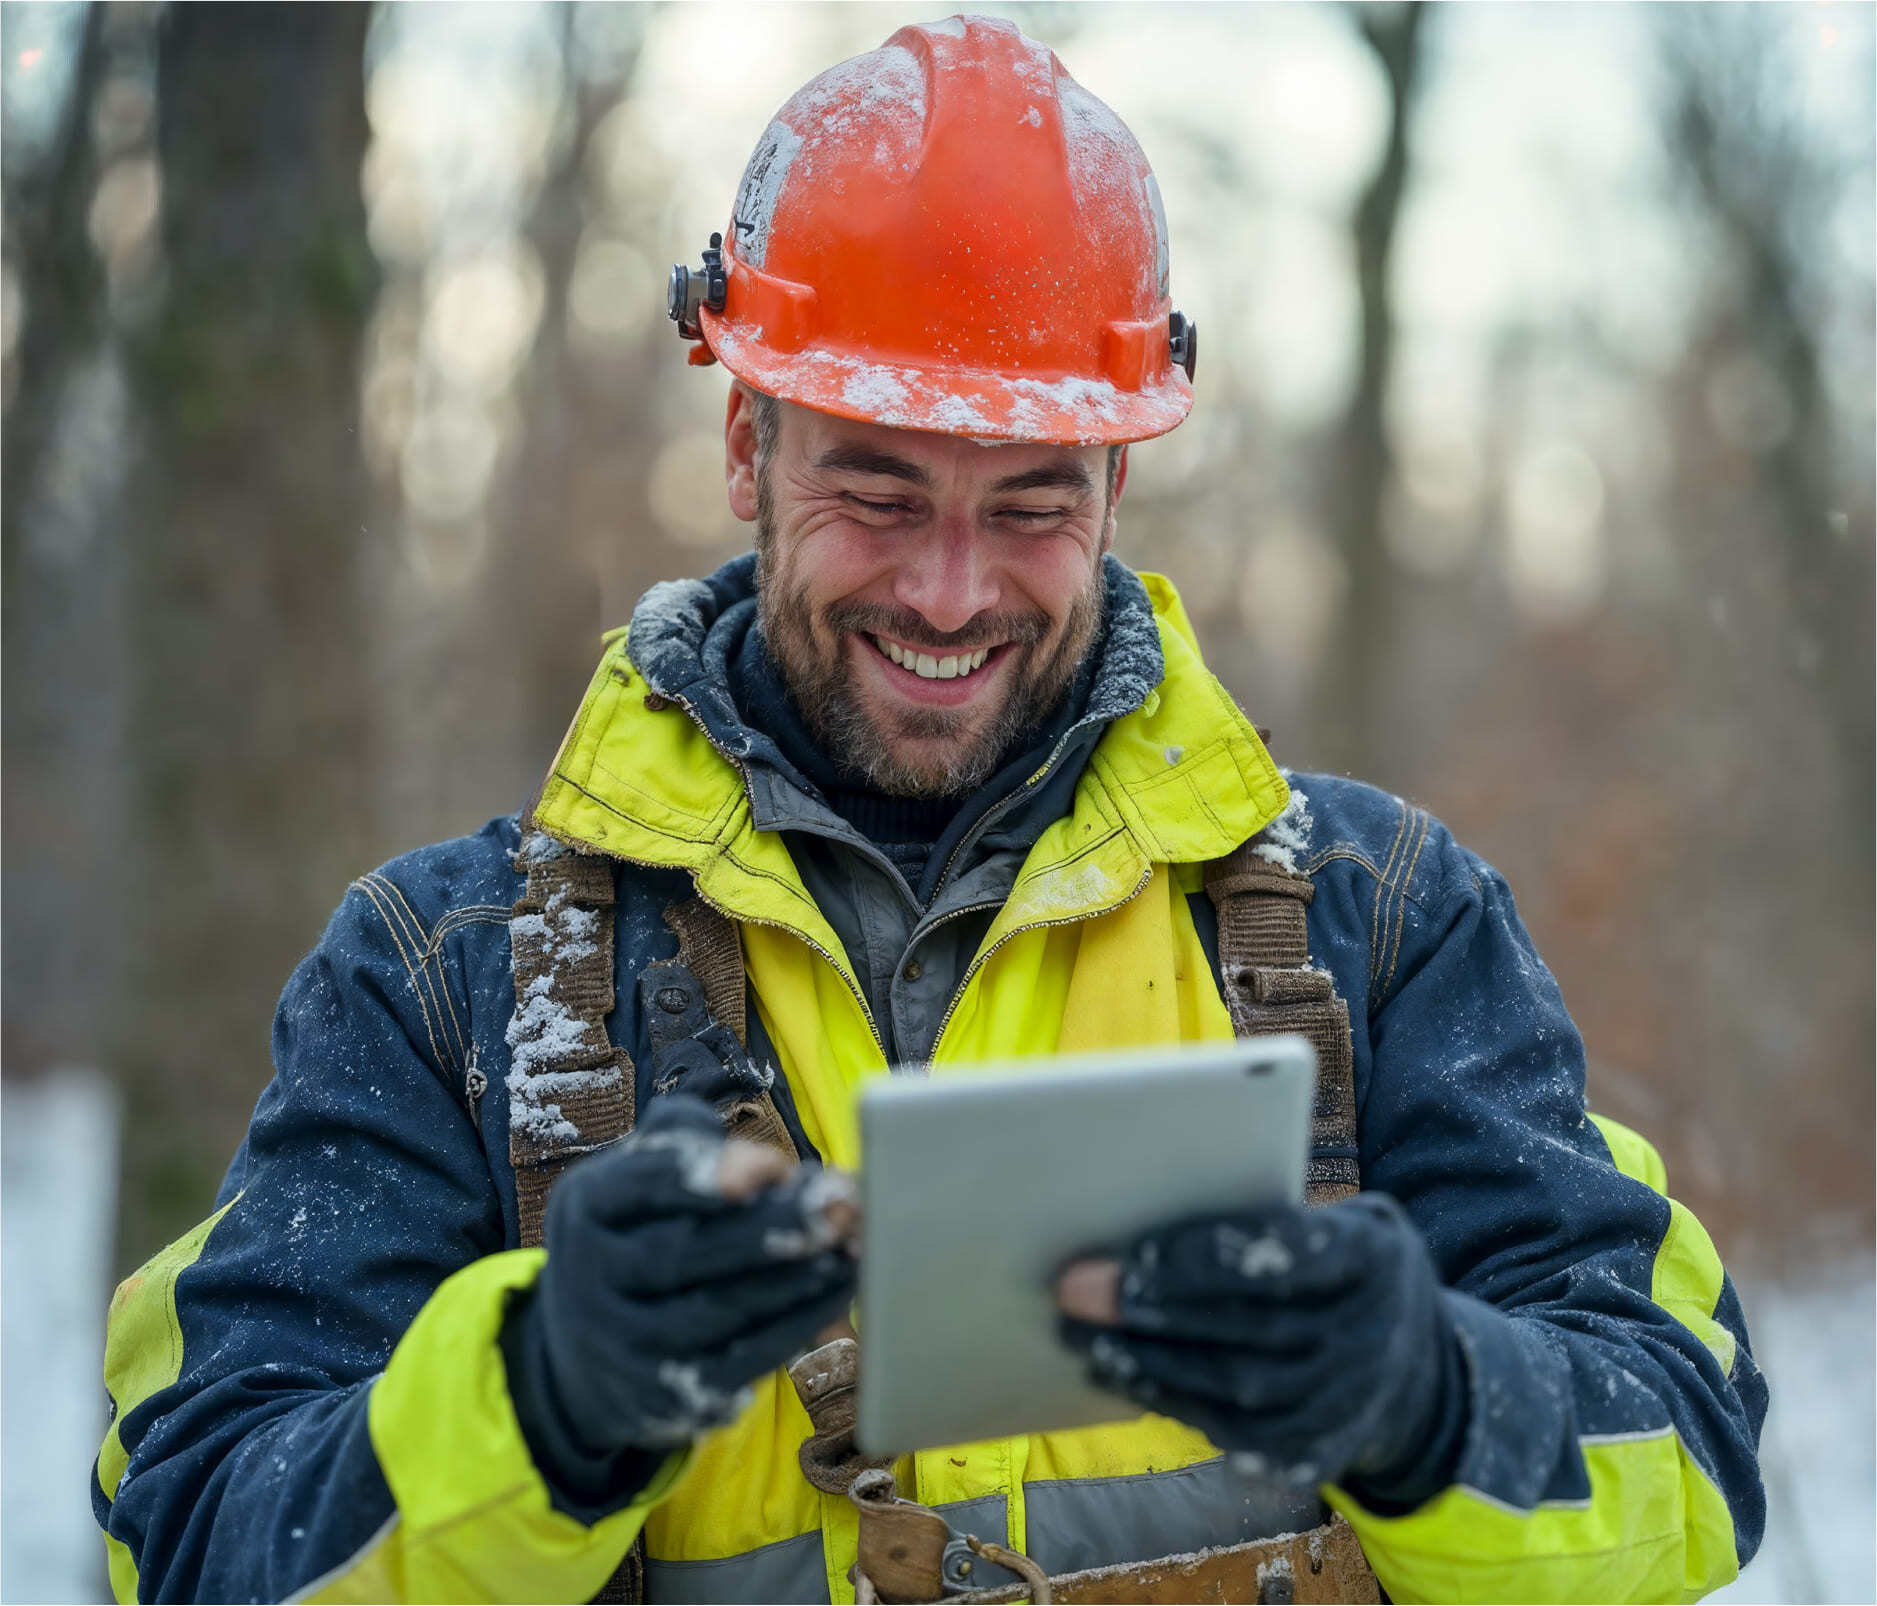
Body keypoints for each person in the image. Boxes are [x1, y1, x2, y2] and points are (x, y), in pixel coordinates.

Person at [96, 16, 1766, 1605]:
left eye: (1030, 501)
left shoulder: (1379, 922)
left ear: (1115, 483)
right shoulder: (446, 977)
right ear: (748, 437)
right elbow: (196, 1530)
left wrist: (1431, 1396)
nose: (950, 591)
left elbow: (1683, 1450)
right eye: (876, 487)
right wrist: (541, 1392)